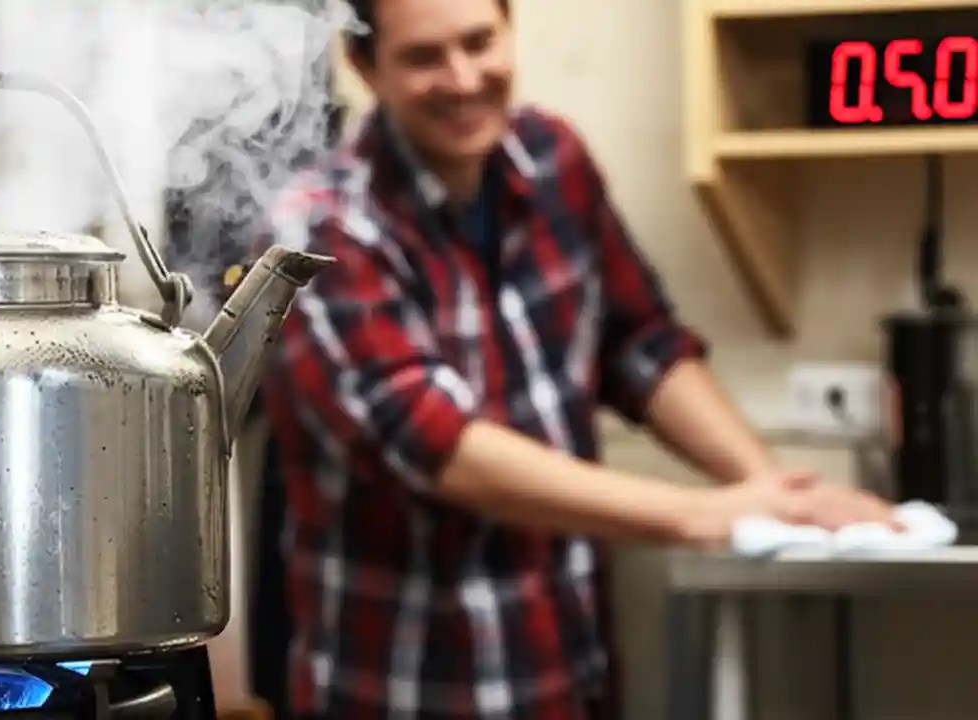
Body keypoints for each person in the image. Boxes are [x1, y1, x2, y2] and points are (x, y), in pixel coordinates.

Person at [256, 0, 899, 716]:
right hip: (403, 684)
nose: (464, 77)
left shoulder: (553, 158)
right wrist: (704, 515)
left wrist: (777, 495)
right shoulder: (317, 228)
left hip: (564, 672)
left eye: (479, 42)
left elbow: (641, 344)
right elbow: (439, 446)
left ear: (510, 29)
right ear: (364, 67)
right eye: (424, 57)